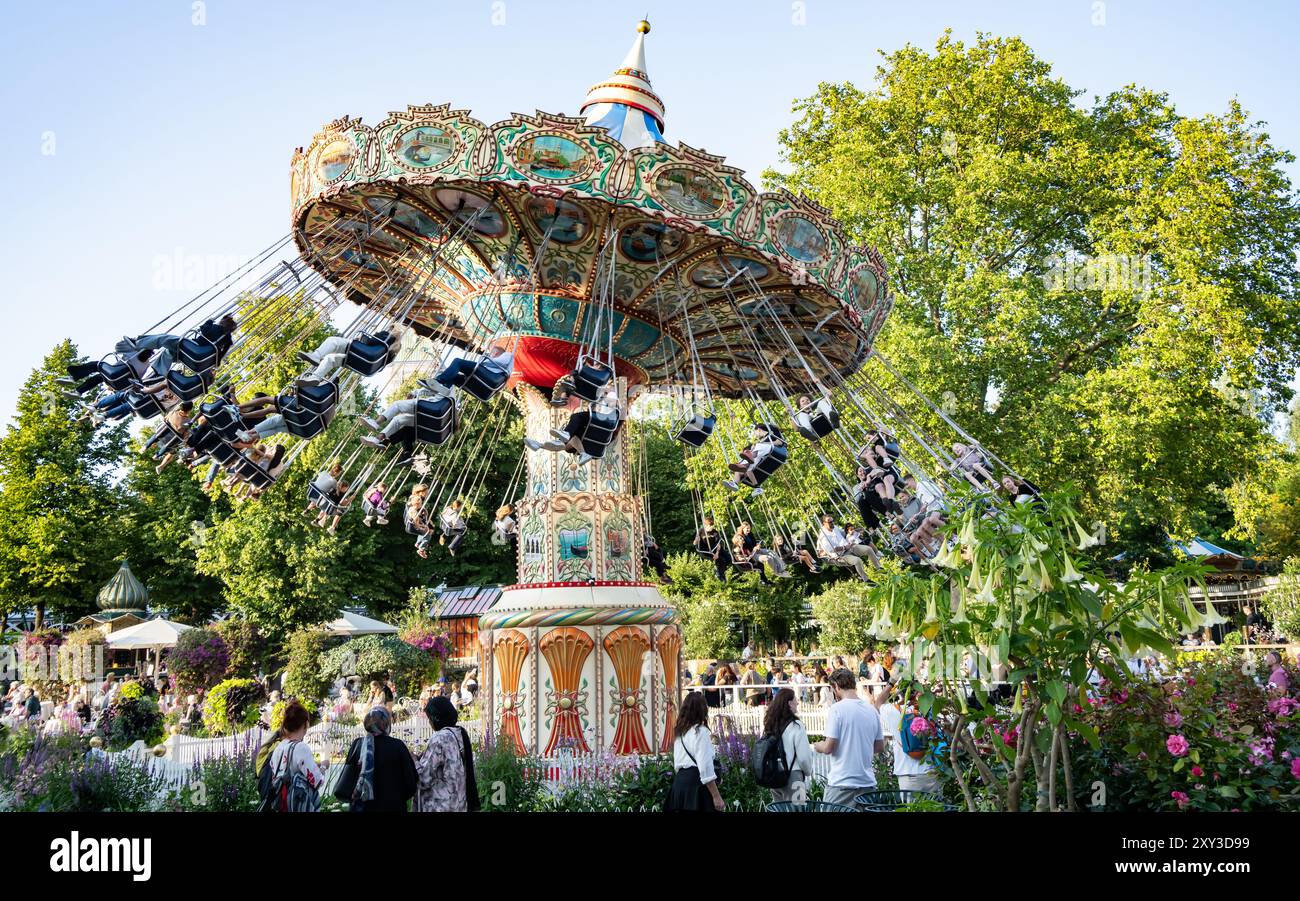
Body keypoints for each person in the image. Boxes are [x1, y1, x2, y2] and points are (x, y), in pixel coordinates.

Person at [812, 668, 884, 809]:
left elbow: (828, 748)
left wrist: (817, 745)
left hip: (842, 783)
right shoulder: (871, 710)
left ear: (836, 687)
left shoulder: (837, 709)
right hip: (867, 784)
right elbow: (880, 747)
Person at [334, 707, 418, 812]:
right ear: (387, 724)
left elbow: (349, 779)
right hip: (393, 806)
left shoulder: (358, 744)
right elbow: (411, 783)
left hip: (362, 807)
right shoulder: (398, 746)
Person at [415, 696, 480, 812]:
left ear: (436, 718)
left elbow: (423, 778)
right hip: (458, 805)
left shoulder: (440, 738)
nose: (429, 722)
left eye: (430, 718)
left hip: (440, 806)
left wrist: (413, 759)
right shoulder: (459, 733)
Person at [666, 692, 725, 812]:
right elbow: (705, 767)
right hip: (696, 787)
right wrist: (716, 796)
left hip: (680, 786)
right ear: (702, 710)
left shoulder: (680, 732)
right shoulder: (700, 732)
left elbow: (677, 763)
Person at [262, 700, 324, 811]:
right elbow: (317, 781)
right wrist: (324, 767)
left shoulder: (278, 748)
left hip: (280, 806)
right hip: (296, 806)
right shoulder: (301, 748)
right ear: (306, 724)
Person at [763, 688, 815, 803]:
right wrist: (807, 771)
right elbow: (803, 757)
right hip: (794, 776)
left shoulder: (771, 724)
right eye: (795, 699)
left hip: (775, 774)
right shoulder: (796, 726)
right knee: (798, 809)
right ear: (789, 703)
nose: (797, 702)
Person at [299, 325, 404, 382]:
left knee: (333, 341)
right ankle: (315, 377)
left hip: (359, 352)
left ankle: (316, 356)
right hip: (365, 367)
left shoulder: (387, 336)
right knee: (330, 359)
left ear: (393, 329)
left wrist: (362, 337)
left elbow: (371, 341)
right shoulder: (393, 352)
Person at [420, 343, 514, 398]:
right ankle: (442, 392)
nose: (490, 355)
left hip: (490, 377)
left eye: (491, 353)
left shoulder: (507, 355)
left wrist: (485, 359)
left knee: (458, 362)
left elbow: (497, 362)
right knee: (454, 377)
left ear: (496, 352)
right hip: (485, 386)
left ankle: (438, 381)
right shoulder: (495, 364)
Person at [816, 514, 878, 581]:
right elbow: (831, 550)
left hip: (850, 548)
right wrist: (844, 547)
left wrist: (855, 530)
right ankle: (866, 580)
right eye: (830, 522)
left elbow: (844, 532)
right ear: (824, 523)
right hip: (841, 556)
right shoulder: (823, 536)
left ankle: (879, 568)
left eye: (833, 521)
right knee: (857, 561)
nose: (832, 523)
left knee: (868, 549)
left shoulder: (835, 528)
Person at [693, 514, 732, 581]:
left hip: (715, 549)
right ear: (705, 525)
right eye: (709, 525)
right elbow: (694, 543)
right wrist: (696, 541)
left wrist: (717, 553)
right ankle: (719, 574)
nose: (711, 527)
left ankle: (721, 572)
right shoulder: (701, 531)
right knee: (721, 560)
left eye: (712, 525)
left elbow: (718, 544)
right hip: (706, 551)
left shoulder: (715, 532)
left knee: (729, 558)